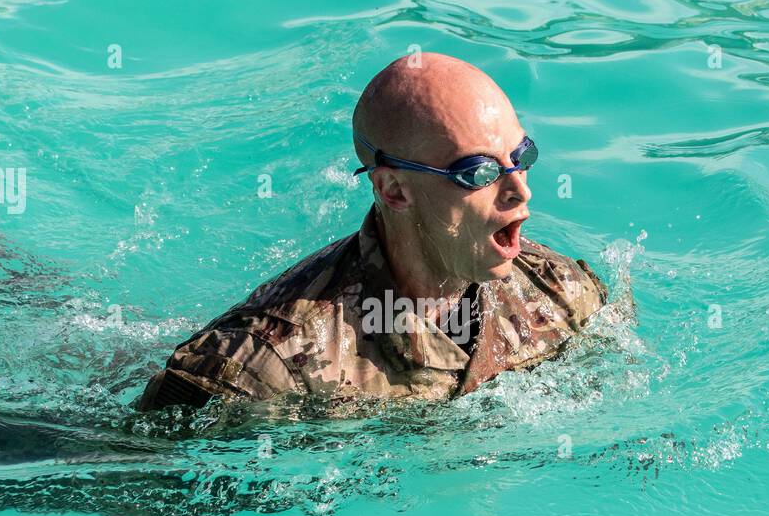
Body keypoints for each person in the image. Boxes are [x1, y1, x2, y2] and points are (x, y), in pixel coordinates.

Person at [136, 52, 610, 410]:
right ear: (393, 190)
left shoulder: (562, 294)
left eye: (522, 156)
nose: (519, 190)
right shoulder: (265, 367)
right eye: (479, 172)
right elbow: (134, 492)